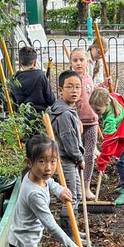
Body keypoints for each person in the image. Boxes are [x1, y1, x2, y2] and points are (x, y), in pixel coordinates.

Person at [90, 87, 124, 206]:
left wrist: (102, 162)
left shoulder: (110, 119)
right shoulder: (112, 97)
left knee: (120, 159)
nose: (96, 113)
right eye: (93, 109)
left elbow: (109, 145)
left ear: (106, 104)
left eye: (98, 110)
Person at [48, 70, 85, 209]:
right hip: (66, 159)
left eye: (77, 87)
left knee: (77, 195)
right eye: (69, 87)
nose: (74, 90)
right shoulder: (64, 114)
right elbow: (69, 141)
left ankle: (72, 222)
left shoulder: (68, 108)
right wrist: (79, 158)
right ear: (60, 90)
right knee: (71, 197)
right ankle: (68, 223)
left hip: (69, 158)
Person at [68, 49, 99, 202]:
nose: (79, 63)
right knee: (77, 155)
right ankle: (77, 187)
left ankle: (86, 187)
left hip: (92, 121)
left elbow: (91, 96)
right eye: (75, 60)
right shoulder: (71, 81)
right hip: (78, 123)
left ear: (87, 61)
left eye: (81, 60)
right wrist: (76, 120)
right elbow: (70, 103)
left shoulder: (88, 78)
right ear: (70, 63)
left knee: (89, 155)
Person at [10, 46, 54, 135]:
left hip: (22, 121)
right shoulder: (40, 76)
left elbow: (13, 102)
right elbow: (51, 100)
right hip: (40, 120)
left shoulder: (14, 79)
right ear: (34, 63)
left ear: (19, 64)